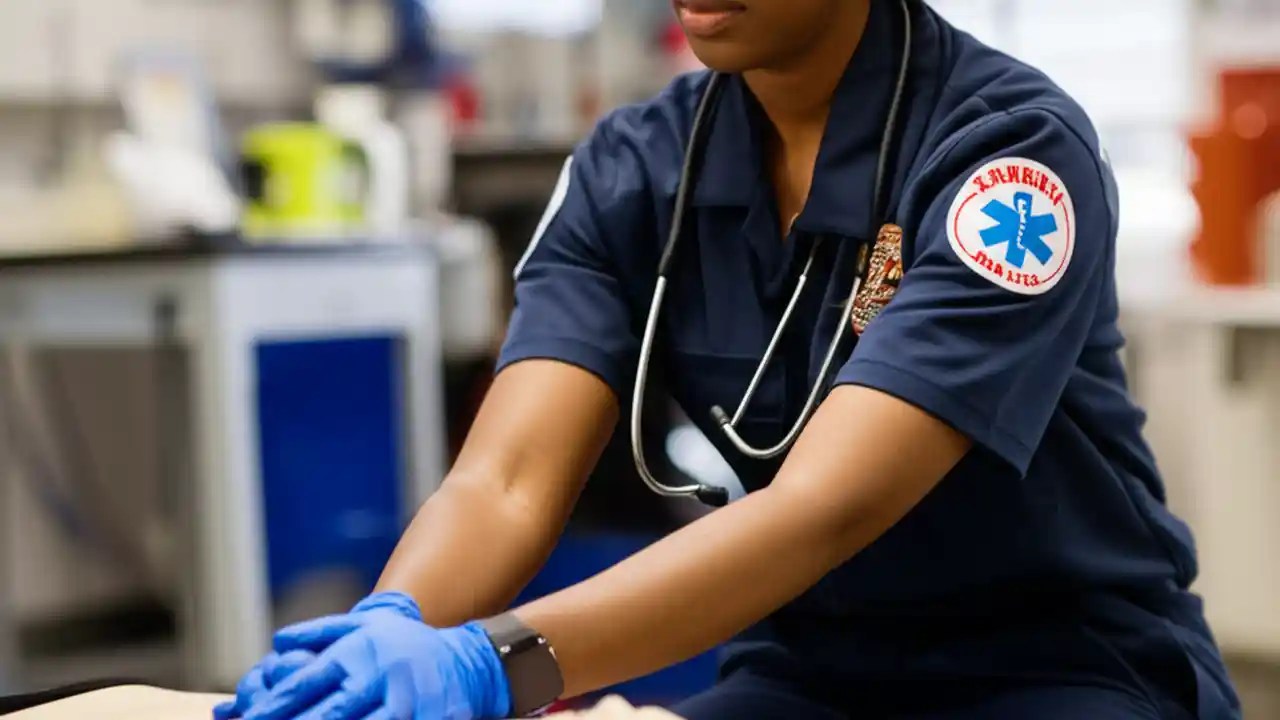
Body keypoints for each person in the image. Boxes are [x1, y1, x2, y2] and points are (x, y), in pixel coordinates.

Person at [222, 0, 1242, 718]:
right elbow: (504, 481)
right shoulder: (630, 170)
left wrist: (495, 667)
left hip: (1056, 672)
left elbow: (820, 508)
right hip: (810, 674)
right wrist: (378, 643)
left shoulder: (1008, 158)